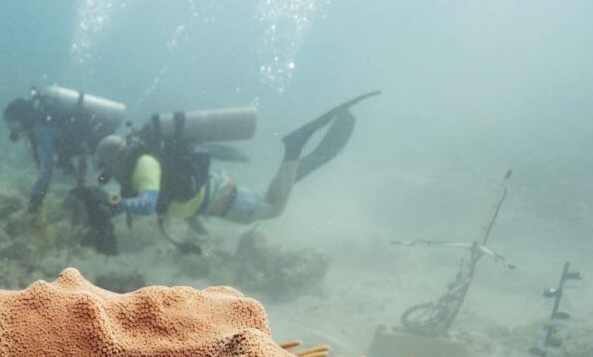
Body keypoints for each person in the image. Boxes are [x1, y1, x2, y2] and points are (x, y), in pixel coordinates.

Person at [87, 92, 379, 255]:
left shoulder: (143, 166)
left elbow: (148, 203)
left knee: (274, 208)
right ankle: (293, 169)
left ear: (115, 159)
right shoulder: (140, 164)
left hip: (230, 202)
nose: (107, 174)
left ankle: (293, 150)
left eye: (106, 167)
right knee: (272, 196)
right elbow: (172, 195)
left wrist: (115, 204)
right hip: (222, 194)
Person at [3, 86, 124, 214]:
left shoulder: (42, 128)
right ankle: (117, 205)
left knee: (113, 172)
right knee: (111, 172)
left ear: (22, 118)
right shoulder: (40, 123)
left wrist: (36, 200)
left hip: (91, 140)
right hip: (91, 139)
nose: (12, 130)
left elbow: (46, 171)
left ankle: (119, 206)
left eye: (12, 124)